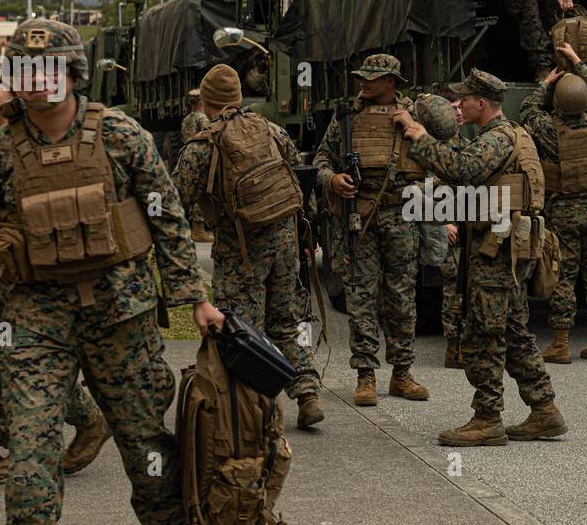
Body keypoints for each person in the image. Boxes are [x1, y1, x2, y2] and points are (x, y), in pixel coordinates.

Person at [0, 18, 224, 525]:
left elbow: (167, 216)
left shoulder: (120, 135)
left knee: (143, 437)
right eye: (23, 72)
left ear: (71, 72)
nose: (35, 83)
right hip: (34, 317)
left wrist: (193, 296)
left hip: (122, 313)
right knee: (33, 444)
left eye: (48, 70)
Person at [0, 58, 112, 486]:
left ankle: (31, 446)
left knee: (24, 361)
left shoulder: (43, 143)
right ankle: (73, 424)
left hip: (36, 280)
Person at [393, 69, 565, 446]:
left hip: (496, 253)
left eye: (464, 99)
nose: (459, 105)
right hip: (507, 249)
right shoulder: (511, 135)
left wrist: (421, 139)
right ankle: (545, 411)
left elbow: (463, 168)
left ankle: (487, 418)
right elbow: (470, 174)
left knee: (482, 334)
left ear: (481, 103)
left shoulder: (498, 139)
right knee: (515, 332)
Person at [173, 63, 325, 428]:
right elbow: (296, 176)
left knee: (242, 327)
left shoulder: (202, 145)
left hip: (240, 249)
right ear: (239, 98)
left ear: (206, 103)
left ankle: (255, 408)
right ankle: (306, 391)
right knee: (286, 318)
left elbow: (175, 198)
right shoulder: (271, 130)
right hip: (285, 239)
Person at [313, 54, 429, 407]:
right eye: (362, 77)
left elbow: (438, 155)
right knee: (361, 296)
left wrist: (416, 130)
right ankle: (365, 375)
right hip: (359, 216)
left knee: (401, 296)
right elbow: (320, 160)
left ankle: (402, 373)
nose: (363, 82)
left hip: (400, 214)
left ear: (391, 81)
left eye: (372, 78)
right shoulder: (347, 116)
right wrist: (332, 180)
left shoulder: (412, 114)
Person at [520, 42, 587, 363]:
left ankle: (561, 344)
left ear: (557, 106)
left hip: (563, 213)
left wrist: (546, 84)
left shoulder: (548, 129)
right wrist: (579, 62)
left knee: (564, 276)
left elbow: (528, 111)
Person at [437, 84, 467, 368]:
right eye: (452, 109)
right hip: (445, 227)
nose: (458, 113)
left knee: (466, 284)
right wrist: (442, 222)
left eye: (460, 107)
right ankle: (453, 347)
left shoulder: (466, 144)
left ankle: (465, 344)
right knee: (453, 286)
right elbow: (421, 188)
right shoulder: (434, 147)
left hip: (466, 225)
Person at [179, 89, 213, 242]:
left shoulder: (186, 119)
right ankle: (198, 230)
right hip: (199, 157)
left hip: (187, 156)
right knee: (201, 191)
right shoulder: (203, 118)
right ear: (202, 101)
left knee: (189, 190)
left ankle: (191, 227)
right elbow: (208, 137)